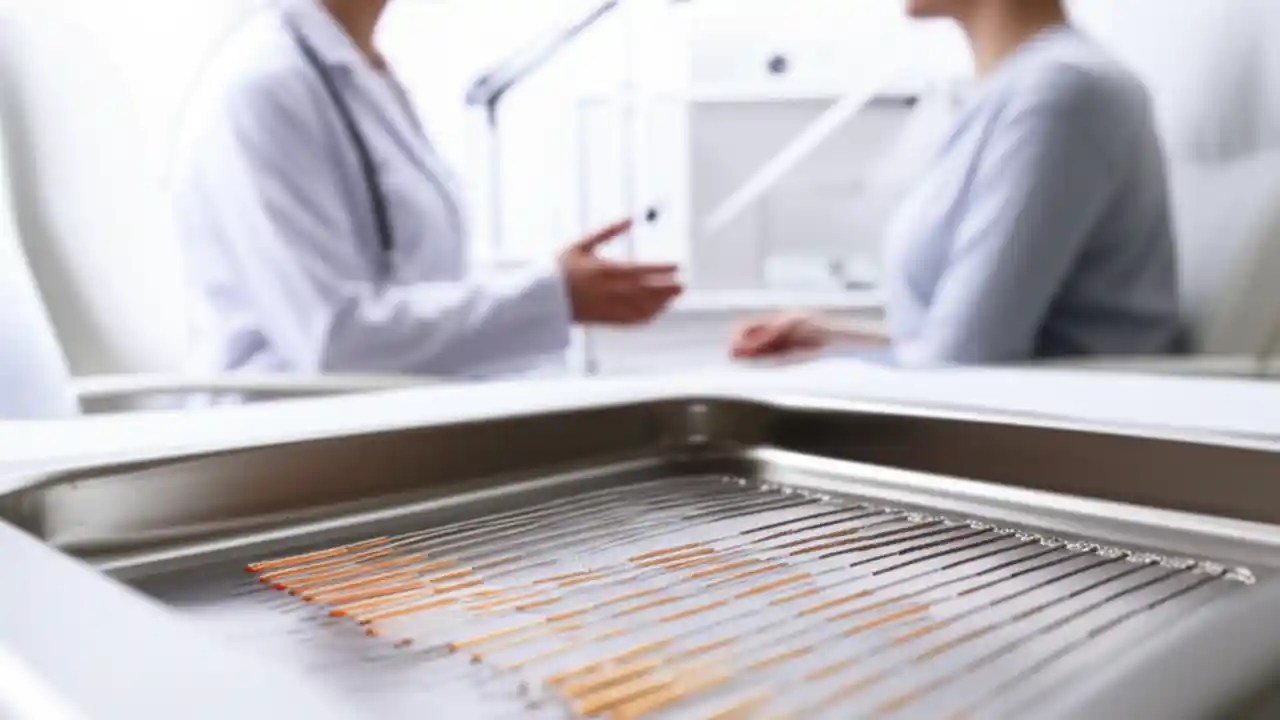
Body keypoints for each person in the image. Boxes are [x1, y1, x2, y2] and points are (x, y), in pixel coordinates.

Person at [173, 0, 682, 378]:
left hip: (374, 432)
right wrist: (553, 295)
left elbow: (415, 280)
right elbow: (334, 343)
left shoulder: (363, 71)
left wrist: (555, 292)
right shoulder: (264, 87)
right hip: (283, 457)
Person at [732, 0, 1180, 366]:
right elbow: (968, 343)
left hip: (1034, 445)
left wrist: (844, 365)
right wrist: (833, 339)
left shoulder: (1061, 94)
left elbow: (968, 360)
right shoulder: (1012, 90)